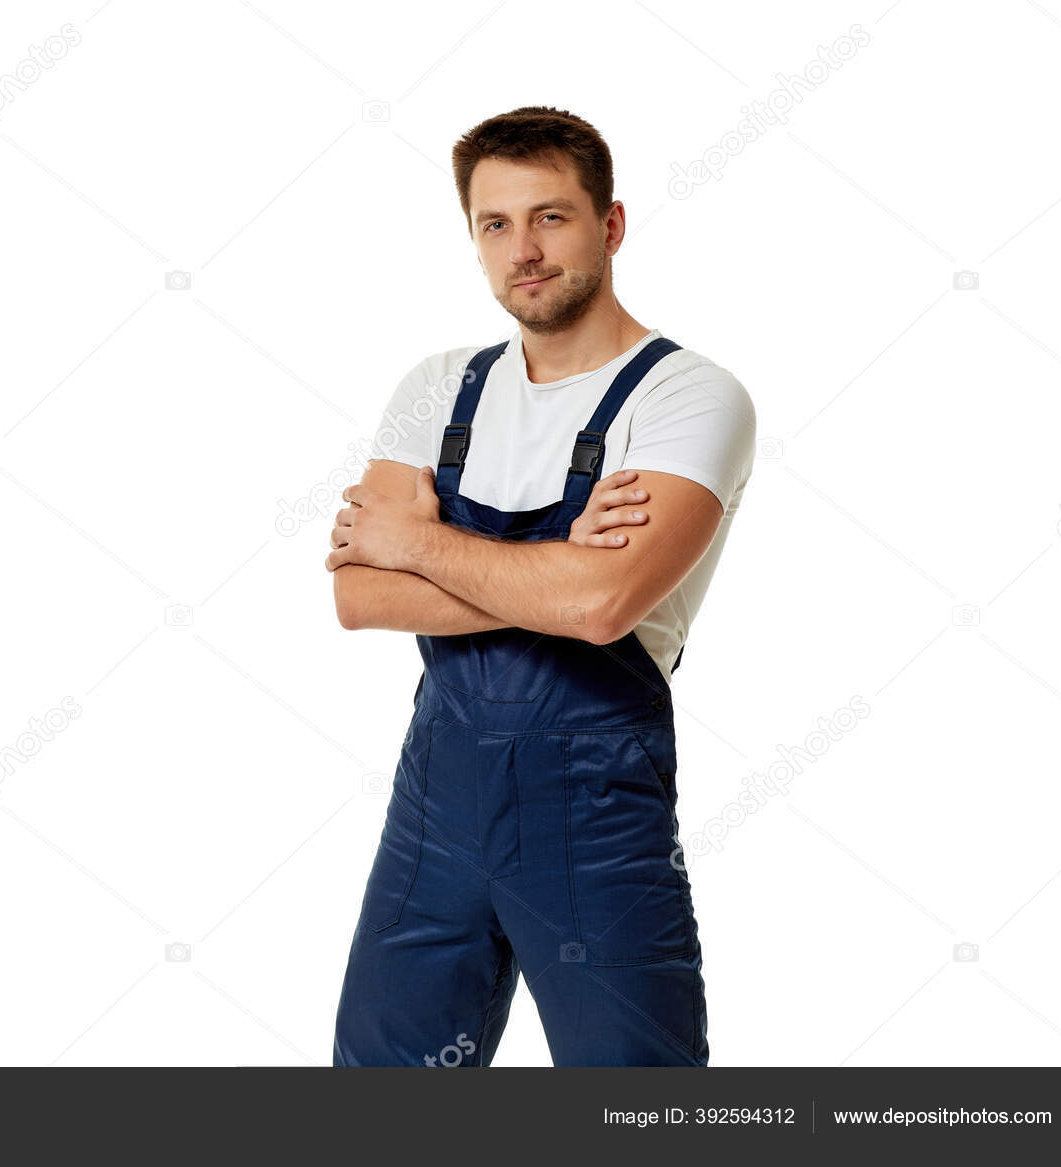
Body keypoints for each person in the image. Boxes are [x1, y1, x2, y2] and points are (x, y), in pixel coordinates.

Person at [324, 106, 756, 1066]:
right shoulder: (441, 387)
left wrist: (416, 540)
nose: (524, 248)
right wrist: (562, 557)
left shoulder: (687, 396)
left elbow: (605, 607)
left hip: (595, 814)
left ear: (611, 225)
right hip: (433, 803)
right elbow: (359, 597)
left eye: (552, 217)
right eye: (495, 224)